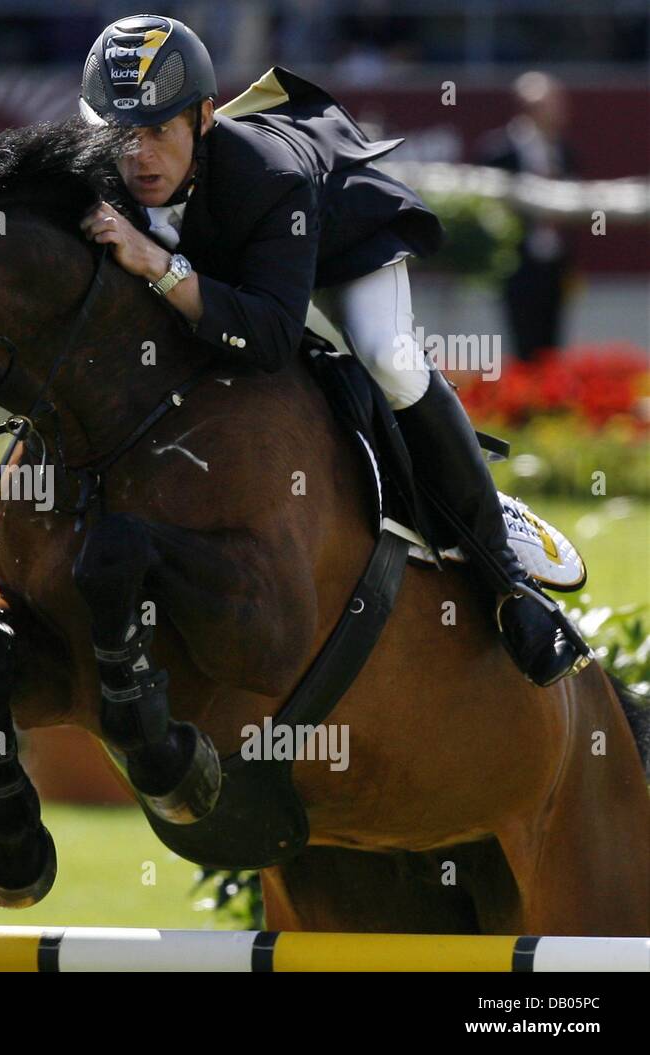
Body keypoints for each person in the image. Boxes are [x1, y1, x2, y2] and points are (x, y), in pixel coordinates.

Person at [75, 14, 587, 687]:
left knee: (384, 356)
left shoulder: (269, 174)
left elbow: (270, 336)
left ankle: (507, 575)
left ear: (202, 117)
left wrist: (158, 267)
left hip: (340, 242)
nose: (137, 157)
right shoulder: (107, 171)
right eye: (120, 136)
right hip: (236, 263)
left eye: (156, 132)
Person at [477, 71, 578, 362]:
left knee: (551, 345)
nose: (559, 111)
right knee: (523, 342)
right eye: (551, 104)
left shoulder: (563, 150)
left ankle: (548, 401)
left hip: (554, 265)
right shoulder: (499, 151)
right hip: (517, 266)